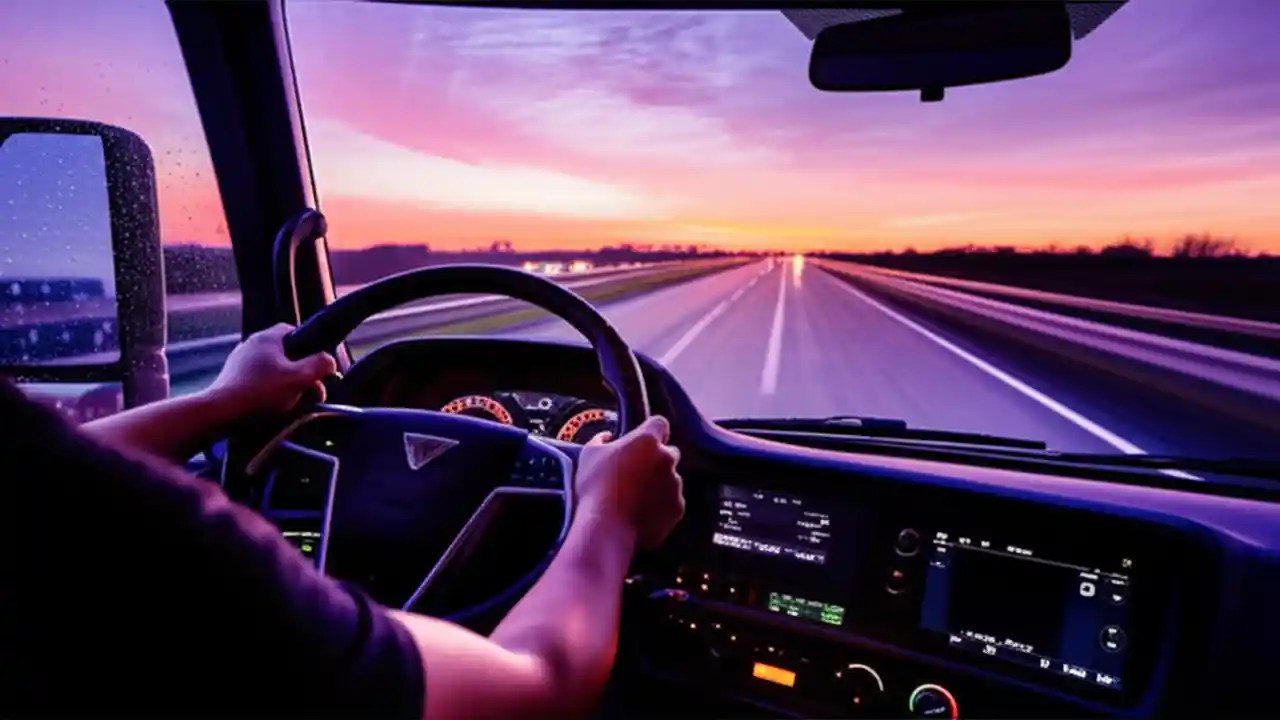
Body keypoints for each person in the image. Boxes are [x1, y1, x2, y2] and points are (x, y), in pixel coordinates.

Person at [0, 324, 685, 719]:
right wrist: (609, 511)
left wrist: (227, 401)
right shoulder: (199, 575)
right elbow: (541, 680)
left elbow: (57, 475)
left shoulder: (55, 517)